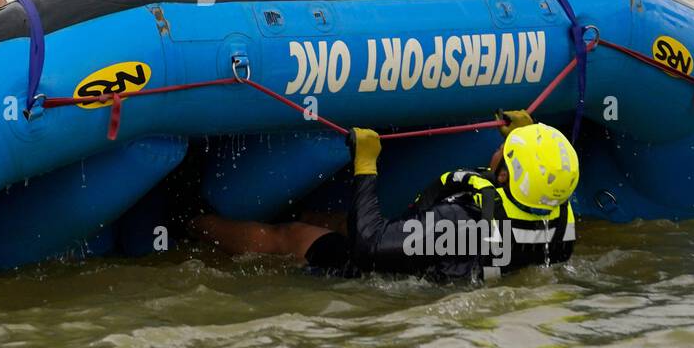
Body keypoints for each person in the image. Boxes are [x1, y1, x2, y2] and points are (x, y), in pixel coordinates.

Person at [190, 111, 578, 282]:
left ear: (505, 173)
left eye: (507, 152)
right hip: (460, 257)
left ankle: (191, 221)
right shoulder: (559, 217)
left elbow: (369, 247)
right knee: (329, 219)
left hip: (384, 271)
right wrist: (523, 133)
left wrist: (365, 164)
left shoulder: (459, 222)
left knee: (294, 236)